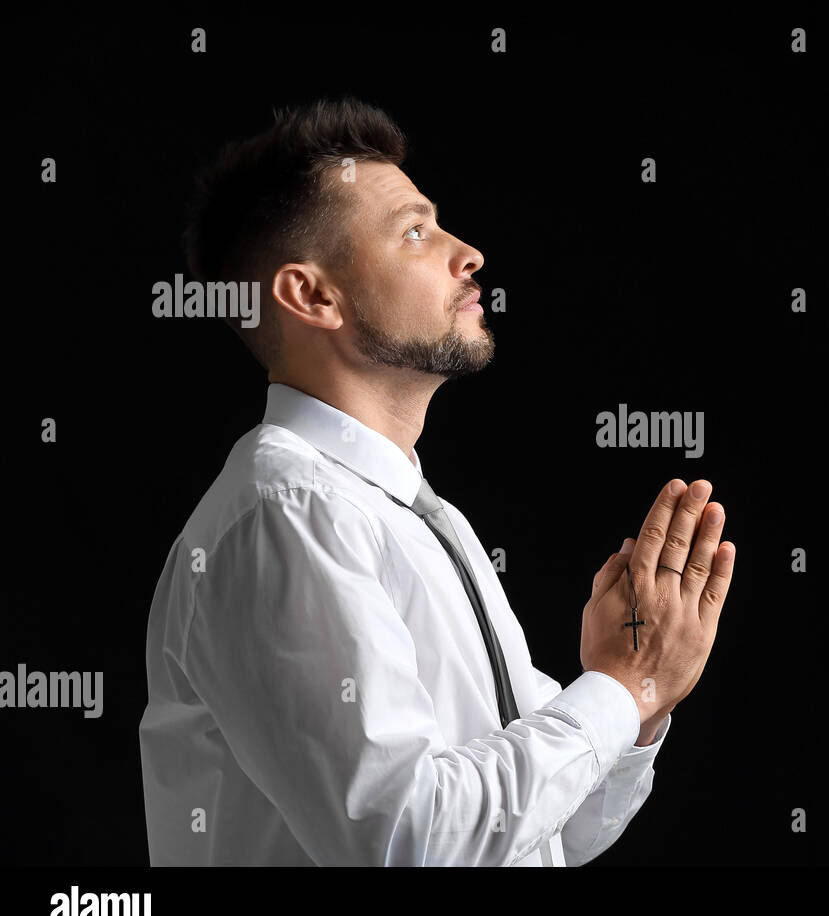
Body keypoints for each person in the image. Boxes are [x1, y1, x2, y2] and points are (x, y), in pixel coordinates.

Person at [138, 97, 735, 866]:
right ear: (311, 295)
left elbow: (557, 833)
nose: (468, 253)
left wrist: (636, 702)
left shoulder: (424, 516)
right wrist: (622, 689)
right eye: (414, 231)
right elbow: (406, 841)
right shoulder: (285, 512)